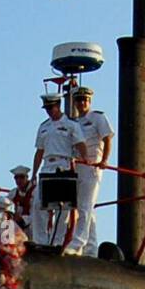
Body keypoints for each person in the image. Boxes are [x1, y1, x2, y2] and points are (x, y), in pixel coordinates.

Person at [31, 92, 89, 252]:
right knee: (38, 205)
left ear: (58, 105)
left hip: (63, 165)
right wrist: (33, 174)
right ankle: (41, 241)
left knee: (62, 208)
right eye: (47, 108)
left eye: (51, 107)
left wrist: (86, 159)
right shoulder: (44, 126)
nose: (49, 111)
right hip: (47, 166)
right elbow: (39, 151)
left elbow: (80, 143)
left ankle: (57, 243)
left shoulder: (71, 124)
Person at [71, 86, 114, 258]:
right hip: (78, 167)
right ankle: (91, 248)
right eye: (79, 100)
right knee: (87, 208)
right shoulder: (74, 122)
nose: (82, 103)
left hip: (92, 166)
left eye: (85, 100)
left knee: (85, 206)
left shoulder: (97, 118)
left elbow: (107, 138)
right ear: (75, 102)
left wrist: (104, 160)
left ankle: (78, 243)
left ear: (89, 101)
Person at [0, 166, 34, 235]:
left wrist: (23, 219)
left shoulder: (35, 191)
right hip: (20, 227)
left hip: (34, 226)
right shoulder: (14, 192)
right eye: (16, 177)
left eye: (21, 177)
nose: (19, 180)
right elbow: (4, 202)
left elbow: (38, 213)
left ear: (27, 177)